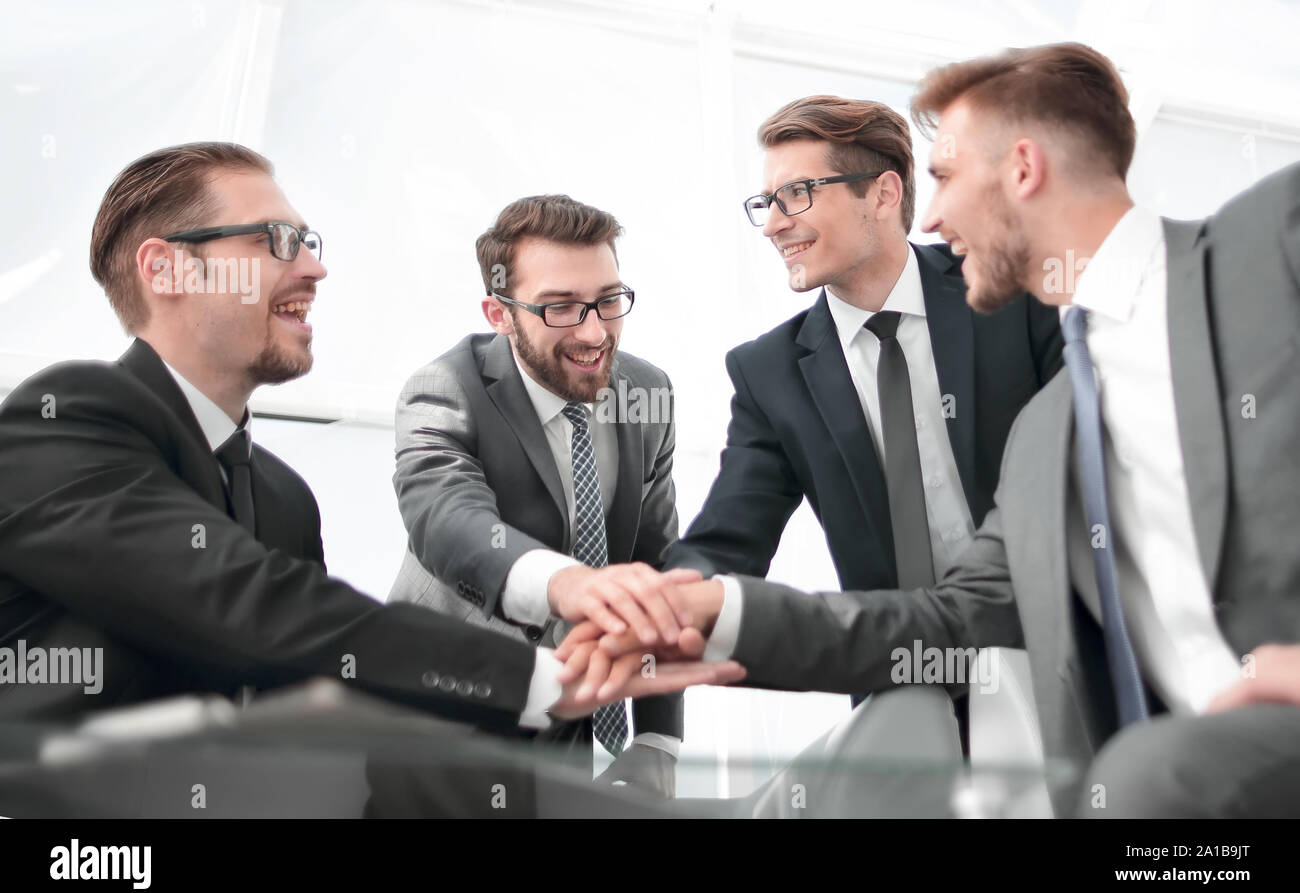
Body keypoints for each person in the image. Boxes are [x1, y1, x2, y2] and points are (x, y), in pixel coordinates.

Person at [563, 42, 1300, 819]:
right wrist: (697, 608)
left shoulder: (1263, 244)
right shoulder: (1046, 434)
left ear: (1022, 170)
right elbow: (953, 607)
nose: (934, 214)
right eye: (766, 202)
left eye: (943, 175)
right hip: (1077, 739)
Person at [0, 143, 739, 816]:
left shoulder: (285, 501)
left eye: (309, 242)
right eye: (277, 241)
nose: (315, 268)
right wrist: (540, 676)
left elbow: (310, 715)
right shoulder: (65, 416)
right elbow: (262, 602)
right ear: (165, 268)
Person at [669, 94, 1062, 749]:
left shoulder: (1009, 292)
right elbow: (725, 544)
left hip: (1059, 661)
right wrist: (654, 603)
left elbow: (1087, 463)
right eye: (766, 202)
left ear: (882, 193)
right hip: (908, 703)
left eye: (795, 194)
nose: (772, 224)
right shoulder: (770, 374)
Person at [388, 194, 687, 795]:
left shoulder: (645, 392)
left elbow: (656, 564)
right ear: (499, 313)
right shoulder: (444, 389)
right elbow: (448, 520)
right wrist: (565, 586)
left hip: (565, 726)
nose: (594, 331)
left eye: (608, 300)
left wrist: (657, 735)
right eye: (561, 308)